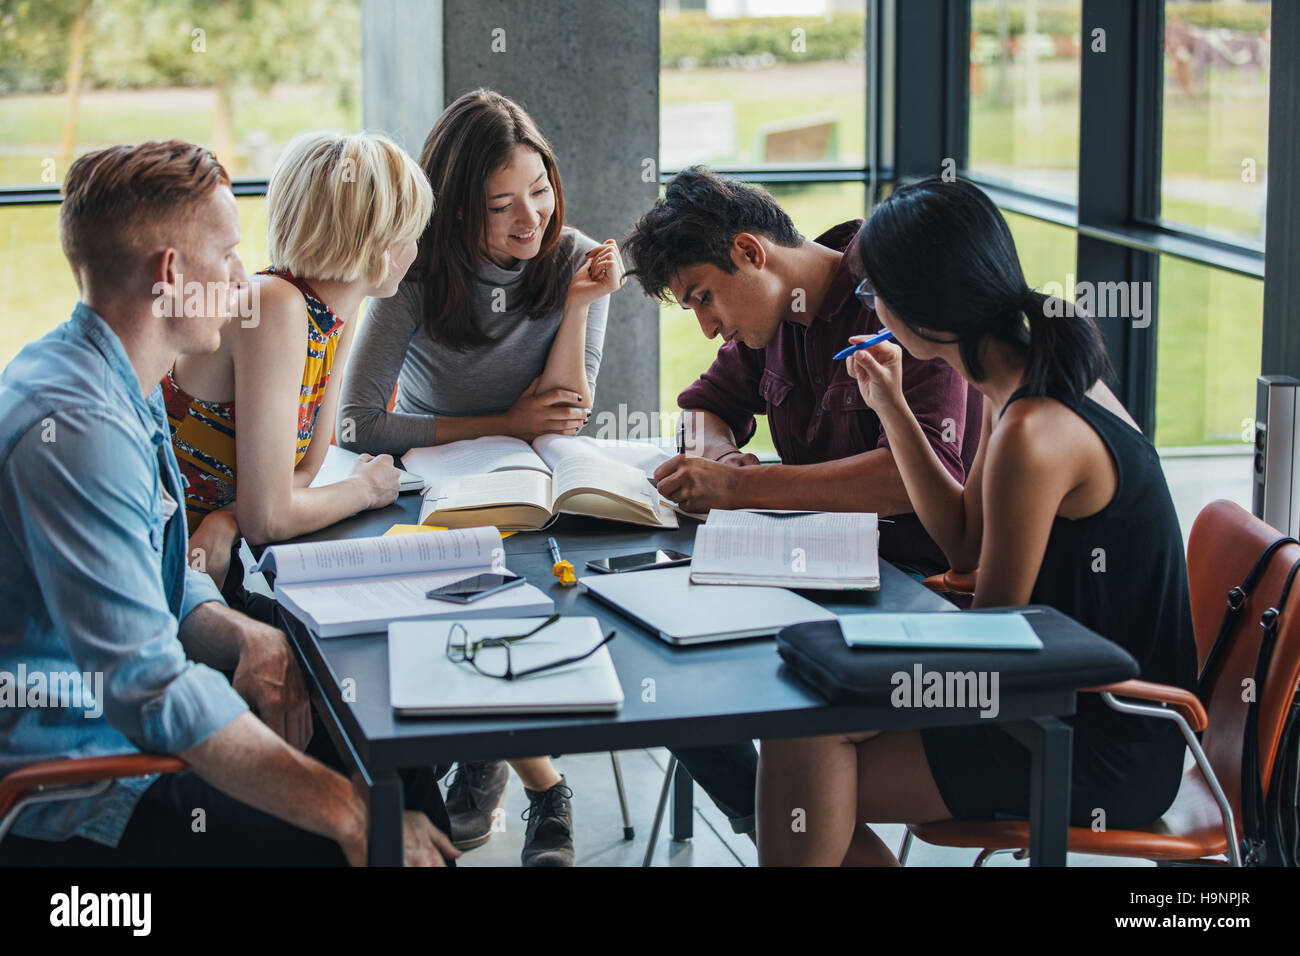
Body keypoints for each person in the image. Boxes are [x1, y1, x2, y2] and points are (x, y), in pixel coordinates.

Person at [0, 140, 457, 866]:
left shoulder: (116, 383)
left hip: (129, 736)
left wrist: (240, 634)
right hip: (83, 785)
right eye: (229, 253)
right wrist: (348, 812)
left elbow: (156, 582)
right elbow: (151, 690)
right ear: (173, 275)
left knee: (392, 762)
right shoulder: (79, 429)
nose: (246, 274)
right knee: (376, 813)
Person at [756, 177, 1197, 866]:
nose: (871, 312)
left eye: (875, 297)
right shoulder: (1020, 379)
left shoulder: (1034, 429)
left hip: (1096, 736)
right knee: (803, 745)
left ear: (921, 305)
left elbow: (993, 639)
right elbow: (963, 539)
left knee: (803, 768)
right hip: (1062, 695)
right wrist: (893, 409)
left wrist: (866, 671)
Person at [621, 165, 982, 840]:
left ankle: (780, 823)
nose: (707, 327)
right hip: (813, 578)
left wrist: (743, 487)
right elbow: (705, 407)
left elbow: (917, 476)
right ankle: (775, 824)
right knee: (664, 665)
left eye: (704, 299)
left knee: (754, 708)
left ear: (752, 254)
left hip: (913, 592)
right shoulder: (771, 323)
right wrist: (718, 455)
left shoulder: (898, 295)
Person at [338, 89, 624, 866]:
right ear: (459, 208)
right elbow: (357, 422)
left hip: (542, 487)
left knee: (531, 592)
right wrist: (506, 423)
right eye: (502, 206)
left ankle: (500, 765)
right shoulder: (419, 273)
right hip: (448, 490)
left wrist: (578, 304)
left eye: (541, 191)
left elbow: (567, 411)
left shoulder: (573, 257)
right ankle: (545, 785)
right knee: (461, 597)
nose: (531, 219)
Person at [162, 131, 433, 615]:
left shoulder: (335, 315)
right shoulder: (274, 306)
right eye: (410, 230)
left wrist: (229, 519)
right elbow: (269, 517)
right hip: (160, 569)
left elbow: (305, 468)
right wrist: (364, 490)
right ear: (381, 242)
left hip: (206, 562)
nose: (416, 245)